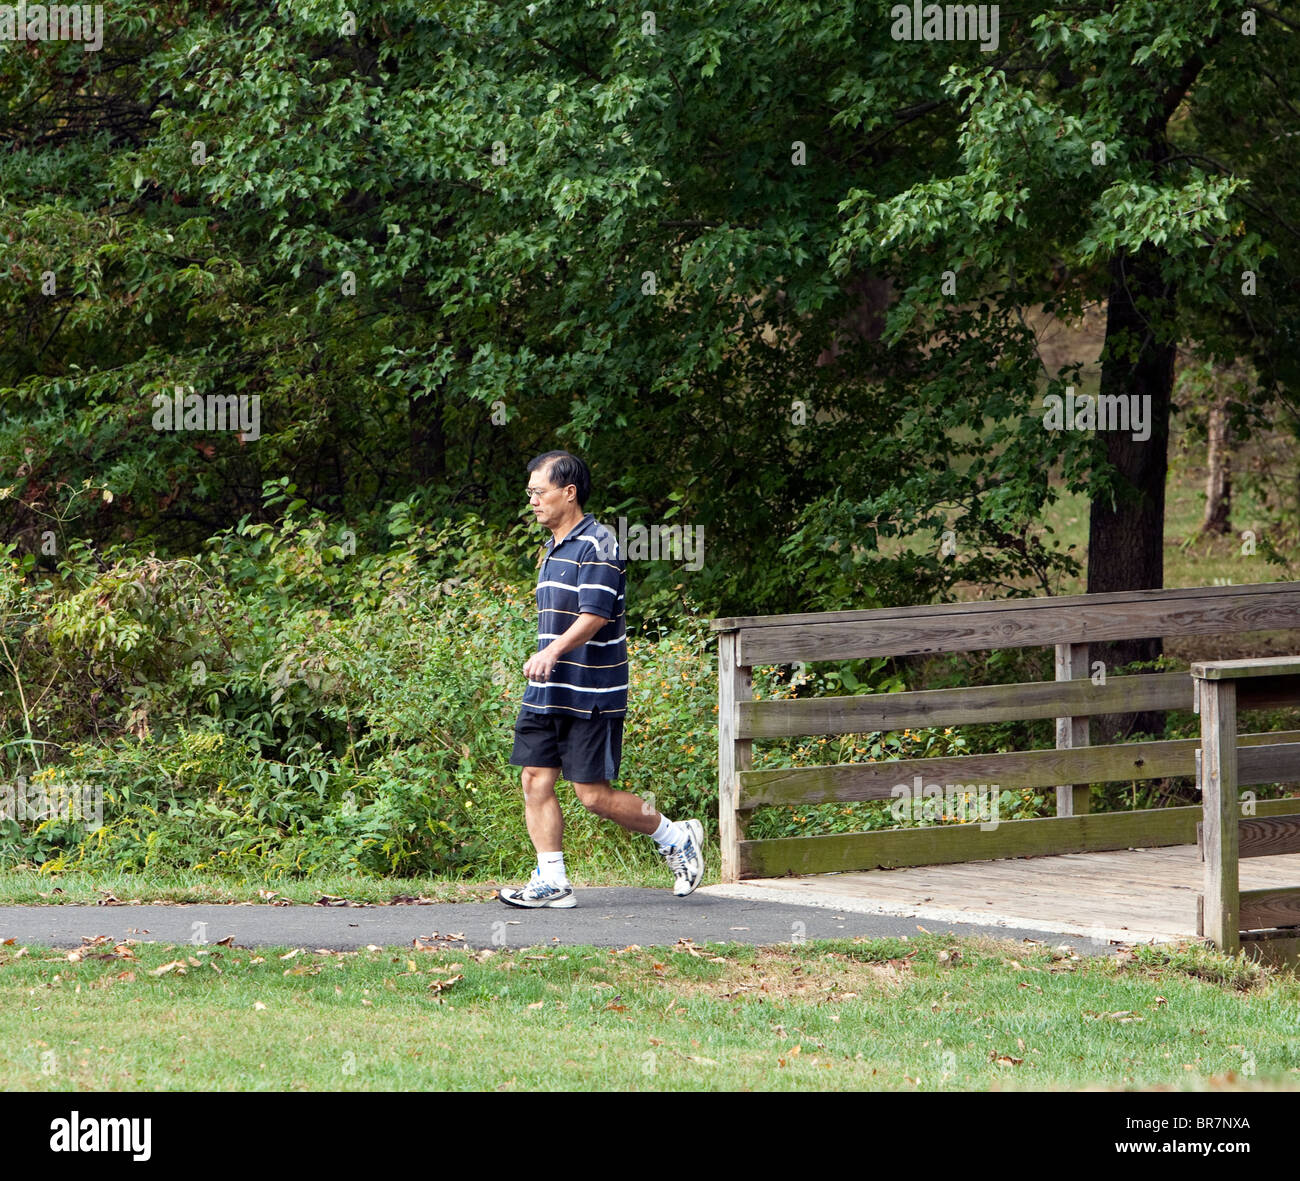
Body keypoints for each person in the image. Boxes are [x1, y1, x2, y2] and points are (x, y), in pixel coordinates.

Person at [499, 449, 705, 908]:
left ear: (568, 493)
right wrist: (547, 659)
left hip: (591, 690)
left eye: (539, 492)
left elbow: (593, 616)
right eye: (529, 493)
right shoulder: (551, 548)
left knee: (592, 796)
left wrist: (550, 651)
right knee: (535, 778)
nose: (532, 501)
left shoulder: (600, 544)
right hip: (548, 689)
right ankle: (552, 881)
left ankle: (675, 836)